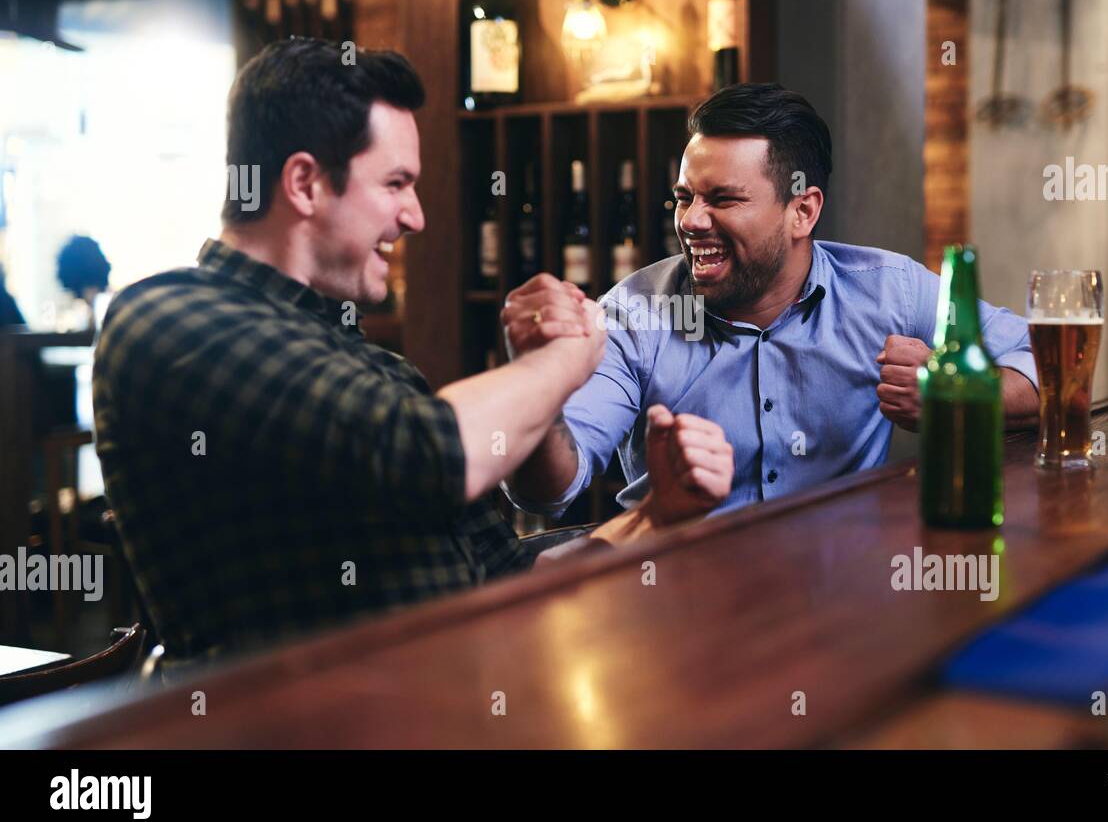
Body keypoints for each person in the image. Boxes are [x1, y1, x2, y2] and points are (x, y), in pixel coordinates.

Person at [92, 38, 732, 666]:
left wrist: (652, 521)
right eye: (396, 183)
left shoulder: (372, 366)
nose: (415, 217)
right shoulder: (171, 317)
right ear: (305, 184)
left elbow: (503, 572)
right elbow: (425, 455)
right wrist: (564, 359)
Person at [505, 82, 1039, 519]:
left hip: (844, 603)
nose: (690, 221)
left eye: (723, 199)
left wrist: (960, 394)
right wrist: (536, 386)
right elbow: (551, 489)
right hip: (679, 604)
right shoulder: (635, 314)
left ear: (802, 212)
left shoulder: (889, 289)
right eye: (685, 197)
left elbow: (1043, 367)